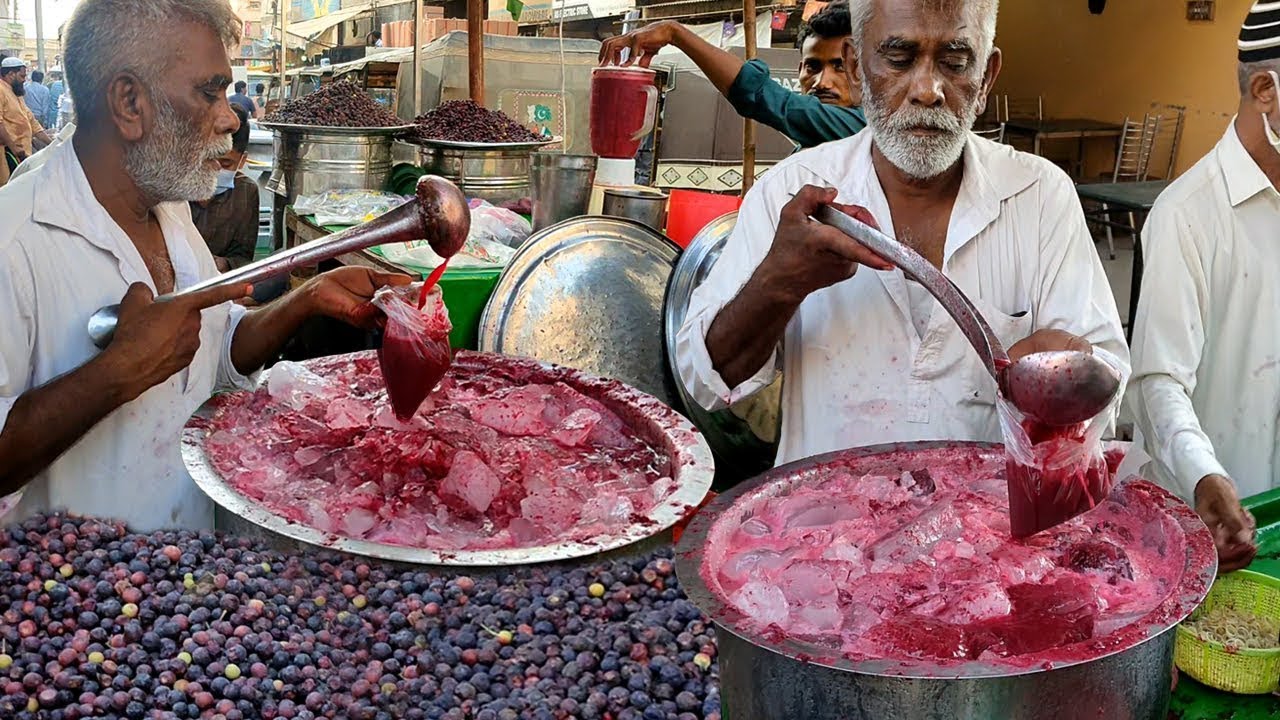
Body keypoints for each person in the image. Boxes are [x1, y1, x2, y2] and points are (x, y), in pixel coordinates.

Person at [0, 0, 412, 532]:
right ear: (130, 103)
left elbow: (213, 351)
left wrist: (307, 299)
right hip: (84, 579)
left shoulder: (168, 207)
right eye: (209, 92)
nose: (230, 118)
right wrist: (117, 373)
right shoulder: (15, 239)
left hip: (193, 562)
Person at [675, 0, 1128, 466]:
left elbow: (1106, 383)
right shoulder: (788, 191)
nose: (928, 91)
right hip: (821, 510)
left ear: (987, 77)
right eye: (898, 58)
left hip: (986, 510)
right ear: (856, 67)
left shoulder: (1039, 195)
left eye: (955, 62)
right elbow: (704, 381)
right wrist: (778, 283)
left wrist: (1069, 375)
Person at [1124, 1, 1280, 573]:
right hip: (1208, 529)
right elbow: (1157, 380)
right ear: (1265, 91)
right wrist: (1204, 475)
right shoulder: (1186, 215)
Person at [599, 3, 866, 149]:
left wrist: (674, 33)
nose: (822, 82)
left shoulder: (863, 129)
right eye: (813, 67)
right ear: (799, 71)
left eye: (840, 67)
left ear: (861, 72)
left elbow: (763, 97)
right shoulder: (813, 143)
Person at [191, 105, 258, 272]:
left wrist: (225, 264)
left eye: (226, 163)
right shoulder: (176, 188)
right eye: (208, 159)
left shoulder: (246, 193)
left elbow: (243, 257)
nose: (215, 168)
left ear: (242, 161)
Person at [0, 57, 52, 178]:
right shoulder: (1, 90)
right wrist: (14, 148)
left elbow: (32, 122)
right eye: (22, 76)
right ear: (11, 74)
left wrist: (52, 143)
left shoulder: (16, 92)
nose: (24, 80)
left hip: (22, 153)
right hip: (9, 152)